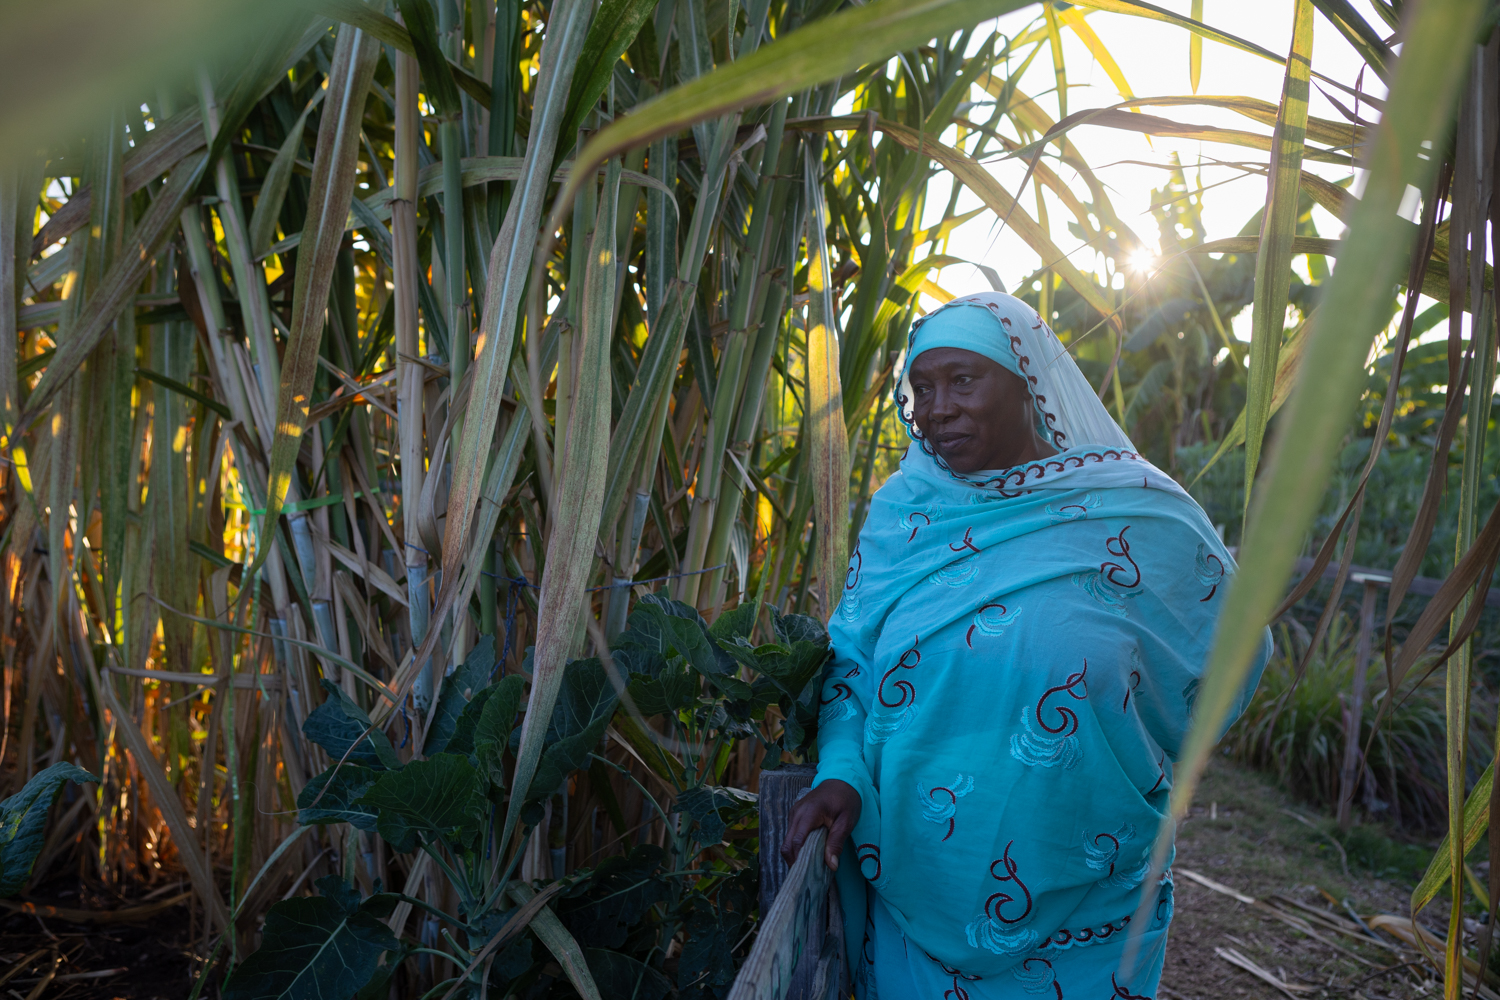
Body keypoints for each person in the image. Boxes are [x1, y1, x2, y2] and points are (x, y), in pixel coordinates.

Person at [782, 292, 1270, 999]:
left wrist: (1162, 742)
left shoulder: (1131, 509)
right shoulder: (906, 514)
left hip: (1092, 889)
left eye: (962, 381)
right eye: (921, 387)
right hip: (914, 883)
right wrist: (840, 772)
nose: (936, 407)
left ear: (1026, 383)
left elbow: (1231, 641)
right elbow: (852, 661)